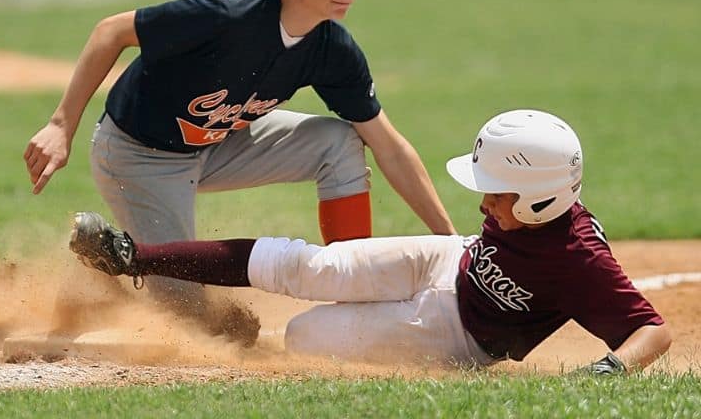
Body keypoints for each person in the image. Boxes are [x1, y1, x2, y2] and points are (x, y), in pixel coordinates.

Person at [23, 0, 456, 340]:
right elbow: (110, 32)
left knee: (339, 140)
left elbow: (389, 146)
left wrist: (452, 245)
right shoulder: (227, 15)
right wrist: (61, 125)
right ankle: (108, 269)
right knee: (194, 319)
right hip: (141, 155)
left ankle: (352, 290)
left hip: (219, 143)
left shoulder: (331, 49)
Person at [68, 109, 671, 372]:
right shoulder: (523, 210)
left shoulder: (580, 260)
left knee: (307, 336)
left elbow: (653, 330)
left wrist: (608, 373)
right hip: (450, 259)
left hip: (463, 336)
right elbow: (486, 225)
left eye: (498, 193)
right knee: (308, 266)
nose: (484, 201)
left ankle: (248, 331)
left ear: (542, 198)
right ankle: (130, 256)